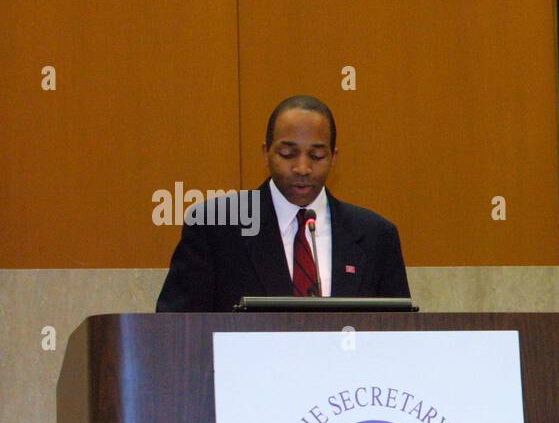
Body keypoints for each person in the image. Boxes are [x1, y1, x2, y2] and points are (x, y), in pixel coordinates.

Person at [156, 95, 410, 311]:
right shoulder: (216, 228)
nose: (302, 168)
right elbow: (177, 329)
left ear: (334, 158)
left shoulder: (375, 236)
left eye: (317, 156)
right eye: (288, 154)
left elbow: (400, 335)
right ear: (266, 153)